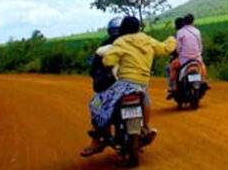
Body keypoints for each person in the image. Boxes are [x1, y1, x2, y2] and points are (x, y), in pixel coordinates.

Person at [80, 16, 176, 157]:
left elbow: (108, 61)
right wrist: (172, 39)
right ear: (138, 28)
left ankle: (99, 138)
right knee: (146, 101)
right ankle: (144, 128)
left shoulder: (119, 42)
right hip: (142, 84)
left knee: (97, 104)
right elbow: (165, 49)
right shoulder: (147, 40)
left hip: (123, 83)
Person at [167, 13, 206, 98]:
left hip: (184, 59)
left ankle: (172, 86)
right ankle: (202, 81)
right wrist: (198, 54)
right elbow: (200, 45)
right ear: (193, 21)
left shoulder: (180, 32)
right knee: (202, 67)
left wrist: (179, 54)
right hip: (197, 58)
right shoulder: (197, 31)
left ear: (184, 22)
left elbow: (179, 47)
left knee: (172, 67)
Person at [89, 17, 123, 93]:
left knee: (95, 103)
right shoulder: (132, 44)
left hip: (111, 83)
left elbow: (94, 69)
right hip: (133, 81)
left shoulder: (104, 46)